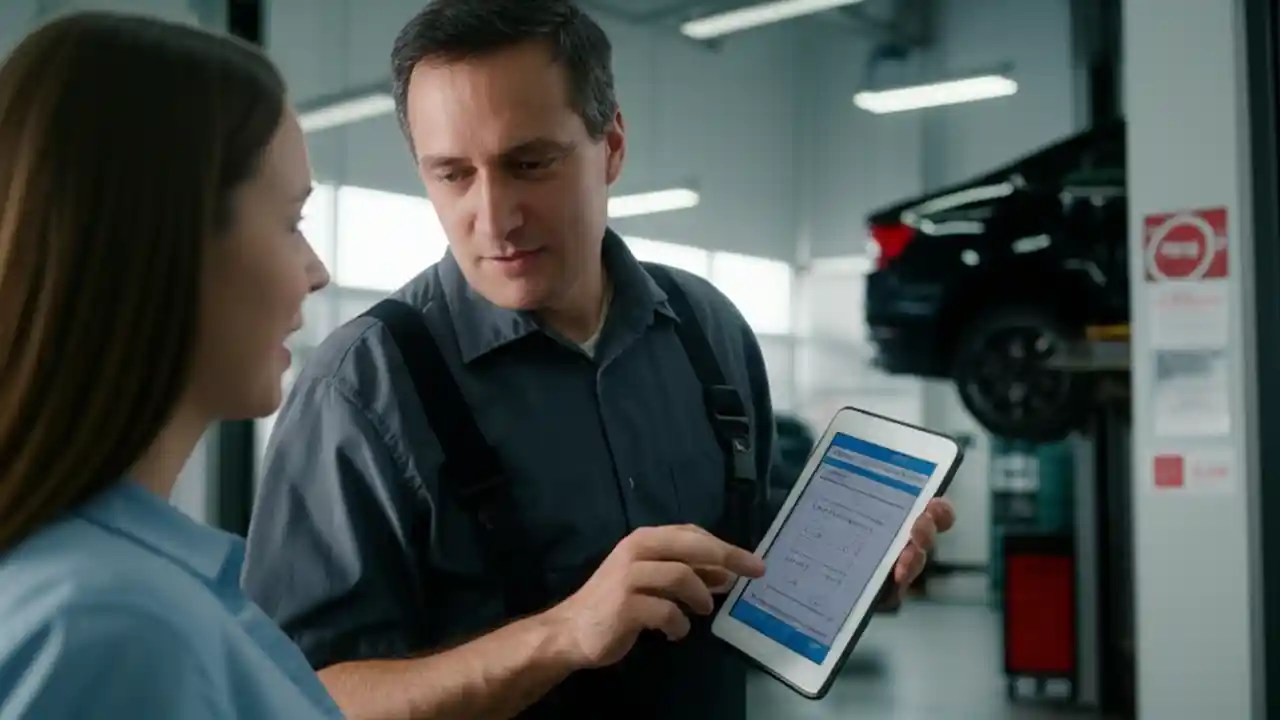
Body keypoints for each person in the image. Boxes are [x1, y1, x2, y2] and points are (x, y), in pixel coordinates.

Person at [242, 1, 957, 719]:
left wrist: (856, 581)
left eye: (530, 164)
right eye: (453, 174)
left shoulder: (707, 330)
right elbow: (295, 697)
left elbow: (755, 564)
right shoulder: (362, 389)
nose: (495, 218)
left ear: (611, 144)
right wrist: (561, 635)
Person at [0, 12, 338, 718]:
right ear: (169, 241)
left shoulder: (90, 592)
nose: (316, 271)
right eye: (290, 222)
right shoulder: (117, 631)